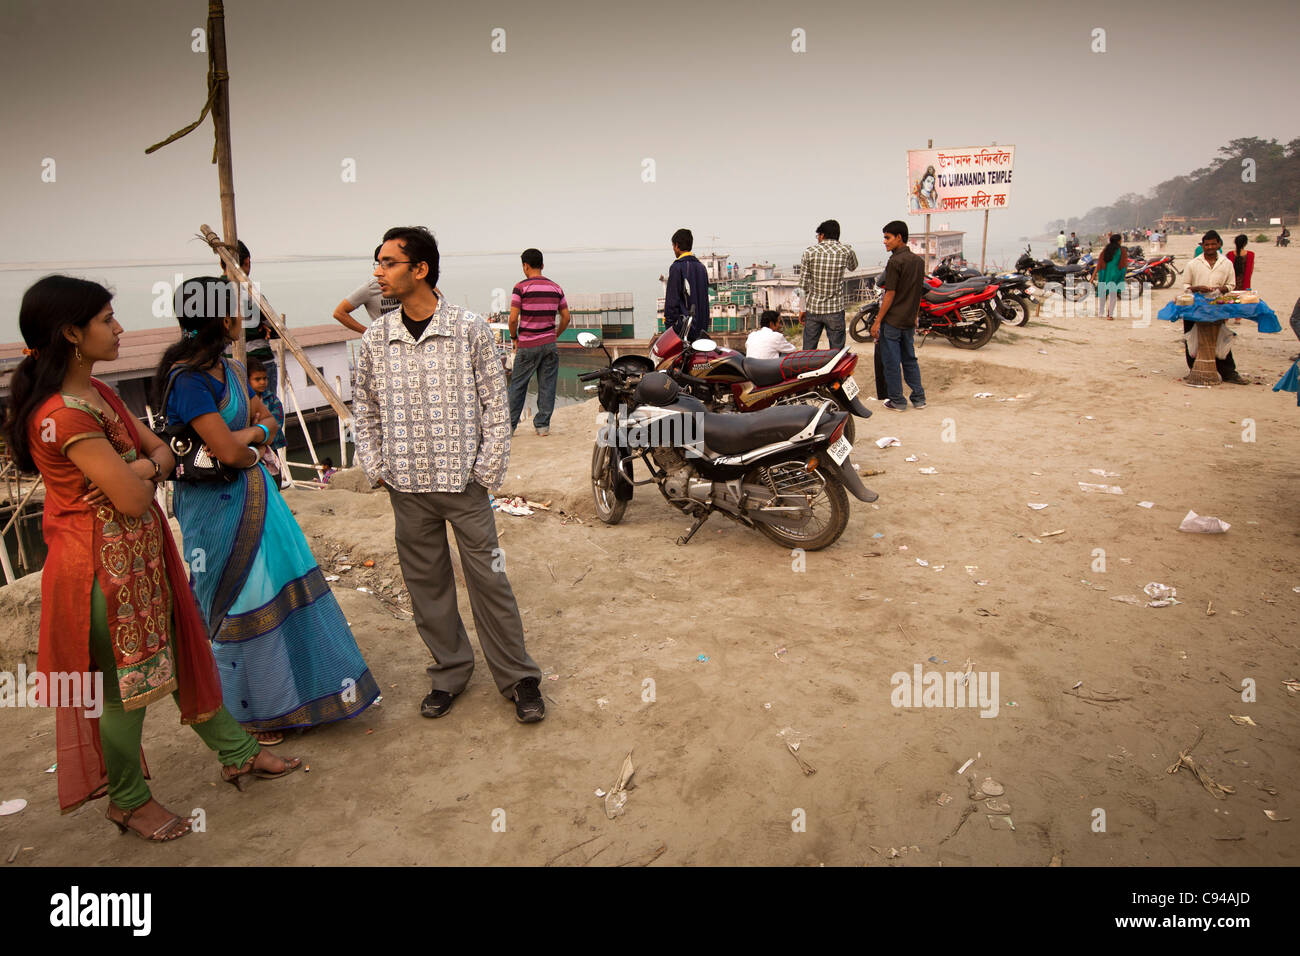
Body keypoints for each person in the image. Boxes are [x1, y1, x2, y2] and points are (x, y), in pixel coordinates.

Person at [2, 275, 301, 841]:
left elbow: (160, 452)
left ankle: (236, 752)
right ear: (71, 333)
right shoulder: (63, 416)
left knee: (183, 657)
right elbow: (142, 492)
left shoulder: (103, 395)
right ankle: (128, 800)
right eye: (107, 320)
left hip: (138, 558)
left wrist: (140, 467)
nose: (119, 329)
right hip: (98, 573)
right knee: (122, 693)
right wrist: (144, 472)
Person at [158, 276, 380, 744]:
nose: (244, 316)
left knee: (278, 590)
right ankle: (251, 713)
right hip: (217, 510)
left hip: (257, 499)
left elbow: (267, 421)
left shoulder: (230, 370)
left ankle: (294, 698)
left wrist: (248, 441)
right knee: (237, 600)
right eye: (237, 308)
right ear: (220, 318)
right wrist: (251, 443)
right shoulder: (189, 380)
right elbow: (231, 450)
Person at [353, 226, 545, 723]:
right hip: (407, 489)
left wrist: (485, 472)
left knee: (491, 581)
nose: (378, 272)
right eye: (378, 262)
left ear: (420, 269)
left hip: (465, 485)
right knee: (427, 587)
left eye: (388, 263)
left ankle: (519, 677)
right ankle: (451, 672)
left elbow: (495, 407)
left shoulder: (469, 329)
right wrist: (377, 468)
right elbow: (366, 410)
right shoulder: (377, 339)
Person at [507, 248, 570, 436]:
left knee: (518, 386)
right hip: (549, 344)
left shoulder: (520, 287)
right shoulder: (556, 288)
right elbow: (566, 317)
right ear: (542, 265)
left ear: (525, 266)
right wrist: (555, 335)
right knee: (547, 385)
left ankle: (509, 427)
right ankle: (542, 426)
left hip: (527, 344)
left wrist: (513, 338)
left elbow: (512, 319)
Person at [871, 220, 927, 411]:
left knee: (892, 362)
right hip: (909, 320)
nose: (885, 242)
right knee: (910, 359)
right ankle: (919, 398)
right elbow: (917, 293)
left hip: (893, 320)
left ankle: (898, 400)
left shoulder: (895, 262)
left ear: (899, 238)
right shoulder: (919, 262)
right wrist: (915, 315)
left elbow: (890, 294)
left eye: (887, 238)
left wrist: (877, 321)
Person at [1182, 230, 1246, 384]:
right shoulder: (1193, 264)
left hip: (1218, 305)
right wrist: (1197, 288)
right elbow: (1186, 285)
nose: (1210, 247)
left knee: (1220, 337)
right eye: (1207, 244)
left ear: (1219, 244)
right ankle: (1194, 369)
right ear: (1202, 246)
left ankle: (1228, 372)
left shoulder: (1226, 263)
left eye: (1213, 244)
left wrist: (1220, 290)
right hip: (1195, 306)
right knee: (1192, 337)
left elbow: (1231, 285)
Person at [220, 240, 279, 399]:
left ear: (221, 264)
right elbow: (275, 329)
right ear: (246, 263)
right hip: (261, 364)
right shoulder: (253, 295)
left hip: (227, 366)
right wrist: (265, 328)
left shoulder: (211, 293)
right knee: (267, 412)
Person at [798, 219, 859, 350]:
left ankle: (809, 370)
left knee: (808, 351)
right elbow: (853, 267)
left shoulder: (809, 252)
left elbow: (803, 285)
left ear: (822, 235)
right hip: (835, 310)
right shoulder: (846, 251)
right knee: (836, 352)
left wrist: (802, 309)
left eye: (818, 236)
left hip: (813, 309)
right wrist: (842, 246)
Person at [246, 356, 287, 488]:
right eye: (257, 379)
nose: (262, 382)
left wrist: (258, 431)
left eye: (265, 378)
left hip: (270, 446)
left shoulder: (271, 400)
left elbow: (276, 423)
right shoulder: (244, 401)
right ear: (247, 380)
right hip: (250, 448)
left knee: (275, 479)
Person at [664, 228, 710, 341]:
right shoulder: (701, 268)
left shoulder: (676, 267)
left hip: (684, 331)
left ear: (677, 245)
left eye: (673, 246)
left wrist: (669, 329)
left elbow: (672, 302)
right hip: (701, 330)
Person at [1094, 233, 1128, 320]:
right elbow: (1123, 265)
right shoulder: (1121, 251)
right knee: (1113, 295)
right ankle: (1110, 314)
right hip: (1115, 275)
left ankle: (1101, 313)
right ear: (1118, 241)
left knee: (1103, 294)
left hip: (1105, 274)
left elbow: (1099, 264)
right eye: (1121, 239)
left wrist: (1093, 276)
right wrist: (1122, 276)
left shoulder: (1105, 250)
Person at [1226, 234, 1255, 325]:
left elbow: (1226, 269)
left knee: (1229, 298)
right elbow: (1250, 270)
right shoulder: (1250, 254)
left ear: (1235, 242)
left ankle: (1226, 317)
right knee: (1240, 298)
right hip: (1244, 280)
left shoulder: (1230, 254)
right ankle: (1237, 318)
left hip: (1231, 280)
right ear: (1245, 243)